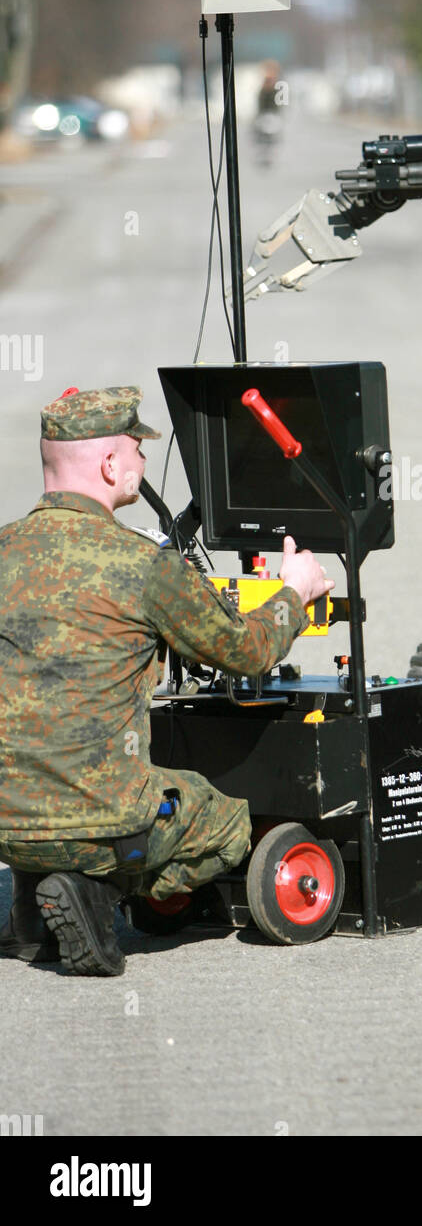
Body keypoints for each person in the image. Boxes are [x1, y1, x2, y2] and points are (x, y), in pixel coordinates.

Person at [0, 386, 333, 977]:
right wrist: (294, 593)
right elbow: (247, 650)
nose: (144, 462)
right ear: (108, 465)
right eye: (137, 449)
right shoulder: (143, 565)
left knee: (42, 758)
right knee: (229, 824)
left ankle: (30, 917)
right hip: (98, 818)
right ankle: (97, 893)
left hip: (5, 823)